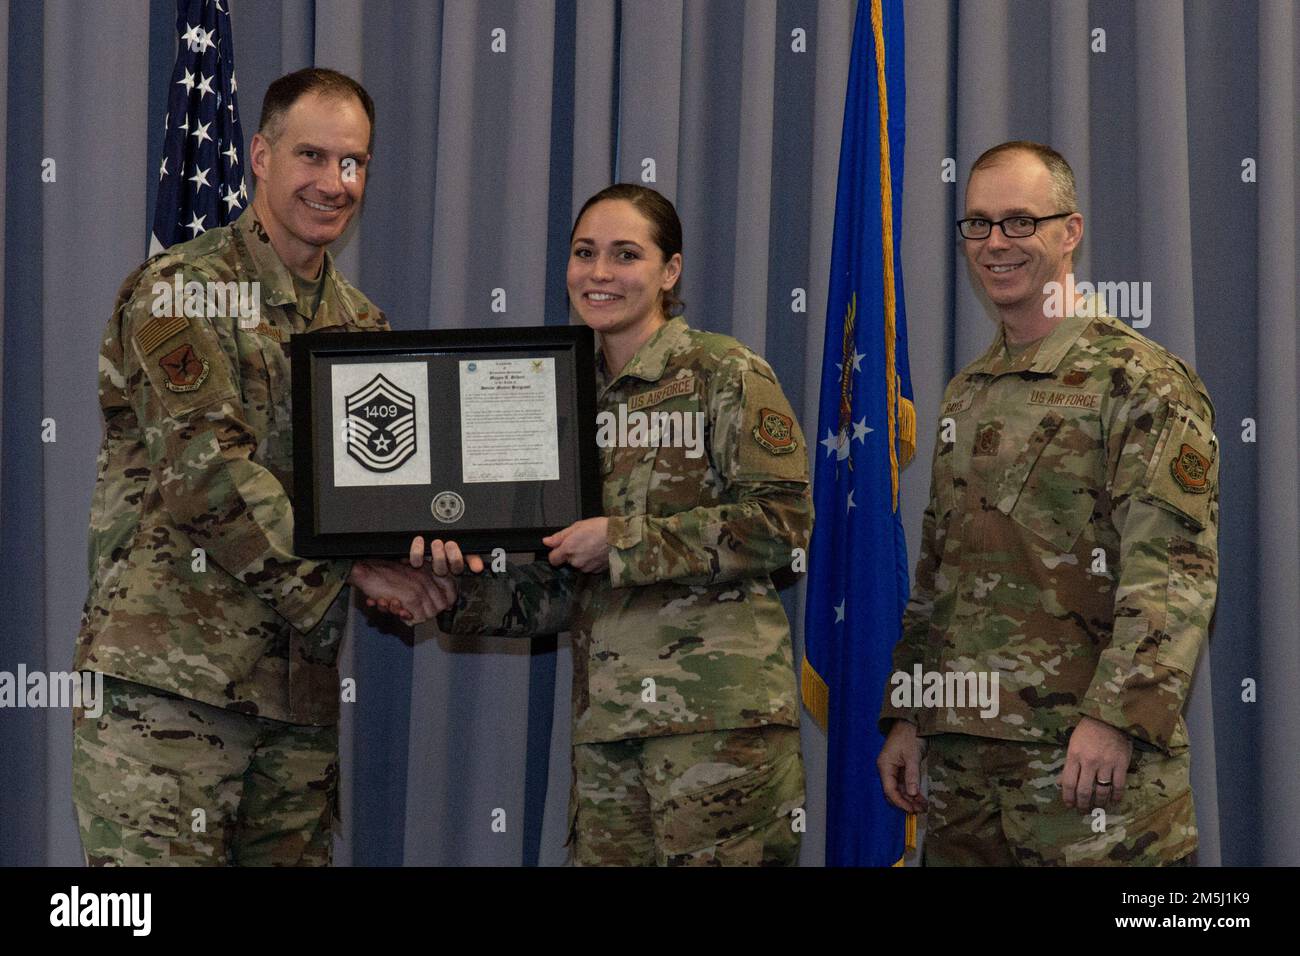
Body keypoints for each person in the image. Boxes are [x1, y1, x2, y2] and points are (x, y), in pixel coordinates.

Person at [72, 68, 449, 866]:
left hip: (297, 709)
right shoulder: (182, 293)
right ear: (260, 156)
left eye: (353, 163)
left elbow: (380, 501)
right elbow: (207, 476)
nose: (333, 182)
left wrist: (439, 548)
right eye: (312, 155)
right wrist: (357, 574)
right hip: (171, 700)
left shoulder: (363, 326)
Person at [399, 184, 812, 865]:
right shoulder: (557, 397)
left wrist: (621, 541)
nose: (599, 273)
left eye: (626, 255)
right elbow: (559, 581)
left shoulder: (723, 372)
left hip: (718, 729)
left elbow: (784, 524)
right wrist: (450, 592)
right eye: (584, 253)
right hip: (606, 732)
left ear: (669, 272)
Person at [875, 141, 1219, 866]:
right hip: (966, 777)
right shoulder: (967, 391)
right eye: (978, 224)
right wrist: (907, 712)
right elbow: (939, 577)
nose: (996, 243)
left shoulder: (1139, 380)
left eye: (1020, 222)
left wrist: (1115, 719)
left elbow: (1172, 575)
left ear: (1071, 231)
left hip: (1087, 776)